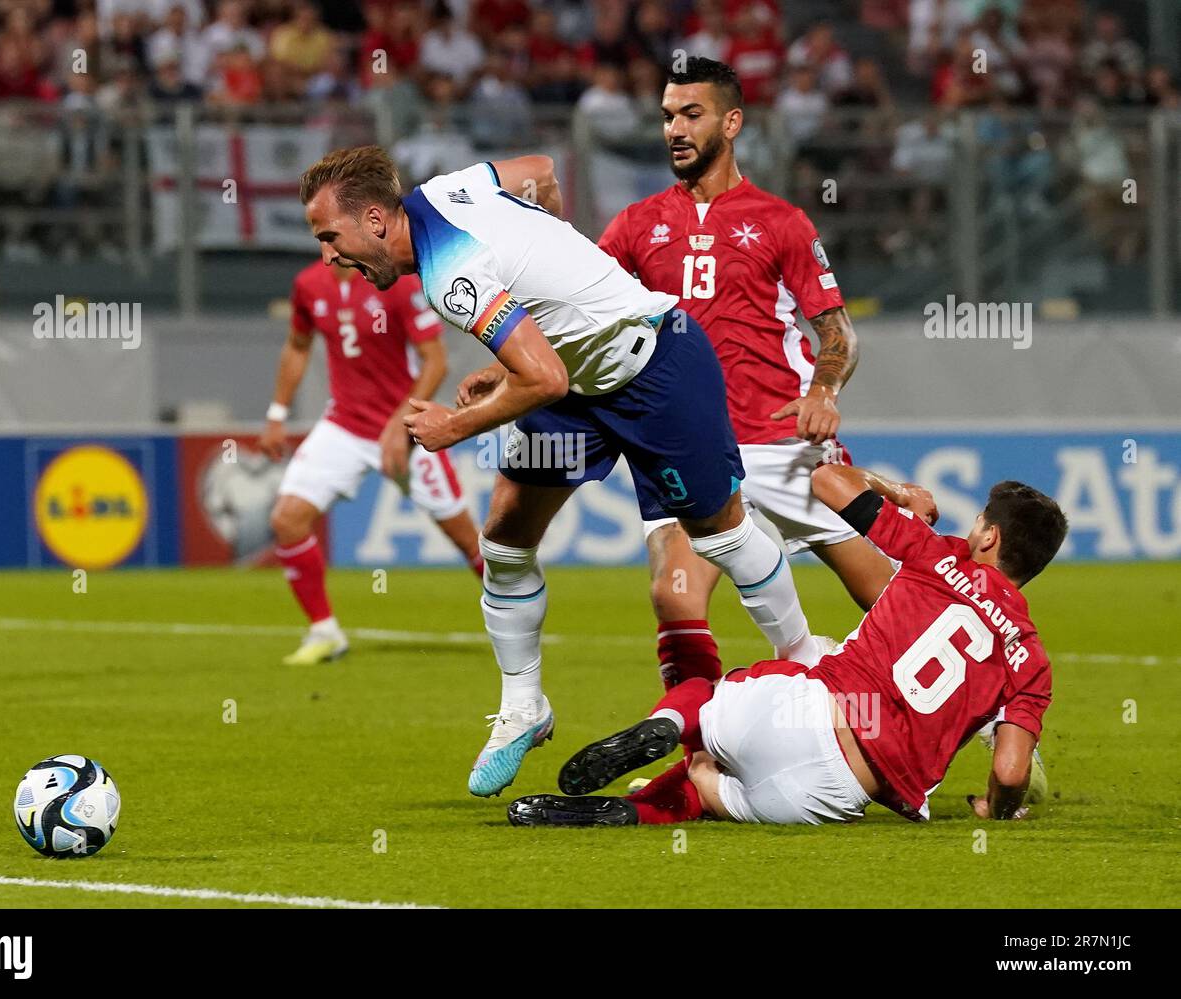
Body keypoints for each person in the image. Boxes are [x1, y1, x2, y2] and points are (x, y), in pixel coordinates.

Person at [299, 144, 829, 797]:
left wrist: (452, 428)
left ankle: (807, 659)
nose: (327, 256)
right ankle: (524, 706)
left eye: (330, 236)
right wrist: (551, 270)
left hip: (655, 367)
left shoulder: (451, 278)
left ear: (375, 220)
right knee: (504, 537)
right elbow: (543, 170)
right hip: (579, 393)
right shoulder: (450, 187)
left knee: (721, 533)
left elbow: (541, 377)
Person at [509, 464, 1068, 827]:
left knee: (705, 696)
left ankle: (670, 727)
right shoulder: (1033, 660)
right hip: (833, 793)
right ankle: (626, 812)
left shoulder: (938, 554)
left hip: (808, 714)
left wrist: (895, 492)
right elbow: (1013, 770)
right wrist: (997, 809)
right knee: (703, 792)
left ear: (988, 536)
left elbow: (826, 479)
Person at [597, 57, 894, 700]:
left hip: (782, 444)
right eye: (668, 116)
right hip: (687, 448)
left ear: (732, 122)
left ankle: (992, 722)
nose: (675, 128)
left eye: (691, 114)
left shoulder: (782, 222)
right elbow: (577, 313)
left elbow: (838, 335)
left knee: (891, 599)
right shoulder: (633, 226)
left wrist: (822, 391)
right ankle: (693, 757)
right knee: (674, 595)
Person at [261, 260, 483, 666]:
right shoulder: (309, 284)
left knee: (468, 540)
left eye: (333, 233)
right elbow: (297, 345)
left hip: (405, 429)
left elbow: (435, 361)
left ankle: (519, 621)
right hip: (344, 425)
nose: (329, 246)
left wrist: (400, 426)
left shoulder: (396, 285)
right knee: (286, 519)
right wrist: (277, 414)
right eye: (320, 235)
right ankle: (324, 632)